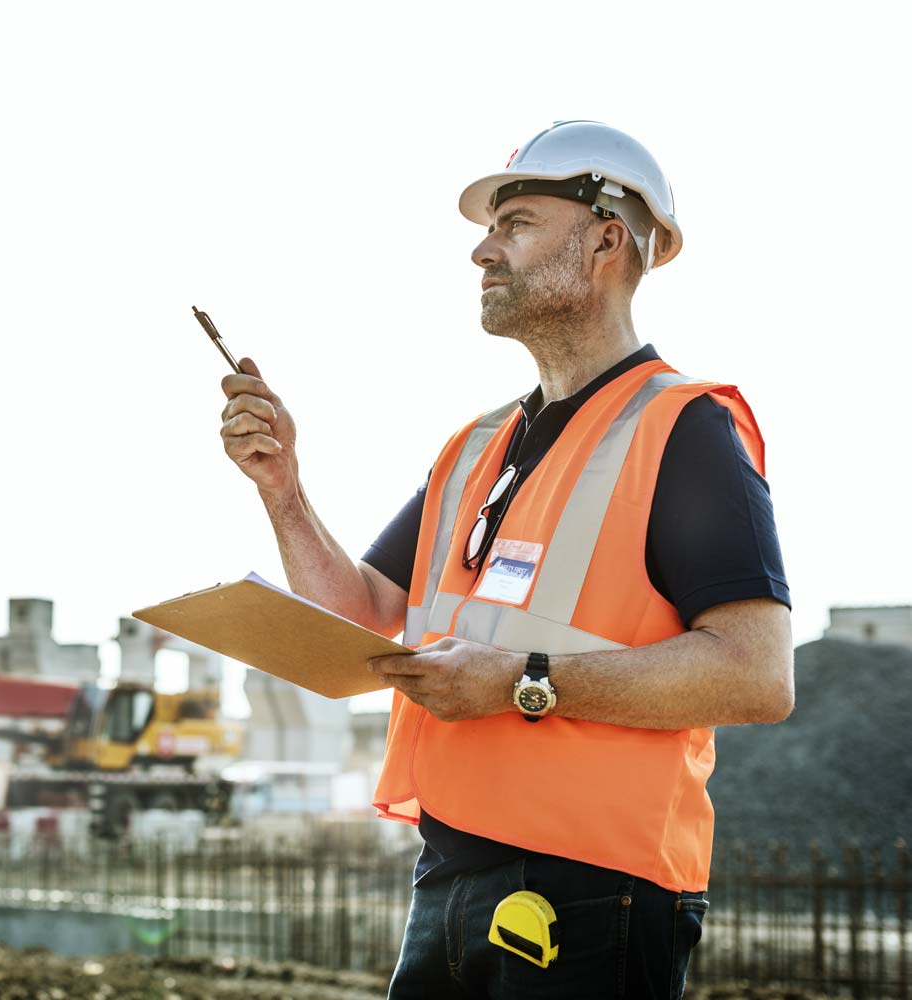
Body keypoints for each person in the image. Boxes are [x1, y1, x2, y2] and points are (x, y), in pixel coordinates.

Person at [217, 121, 792, 998]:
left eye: (516, 222)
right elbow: (366, 618)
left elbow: (757, 677)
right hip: (452, 872)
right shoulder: (479, 444)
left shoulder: (685, 428)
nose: (483, 251)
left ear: (606, 239)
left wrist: (525, 680)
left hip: (597, 890)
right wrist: (282, 489)